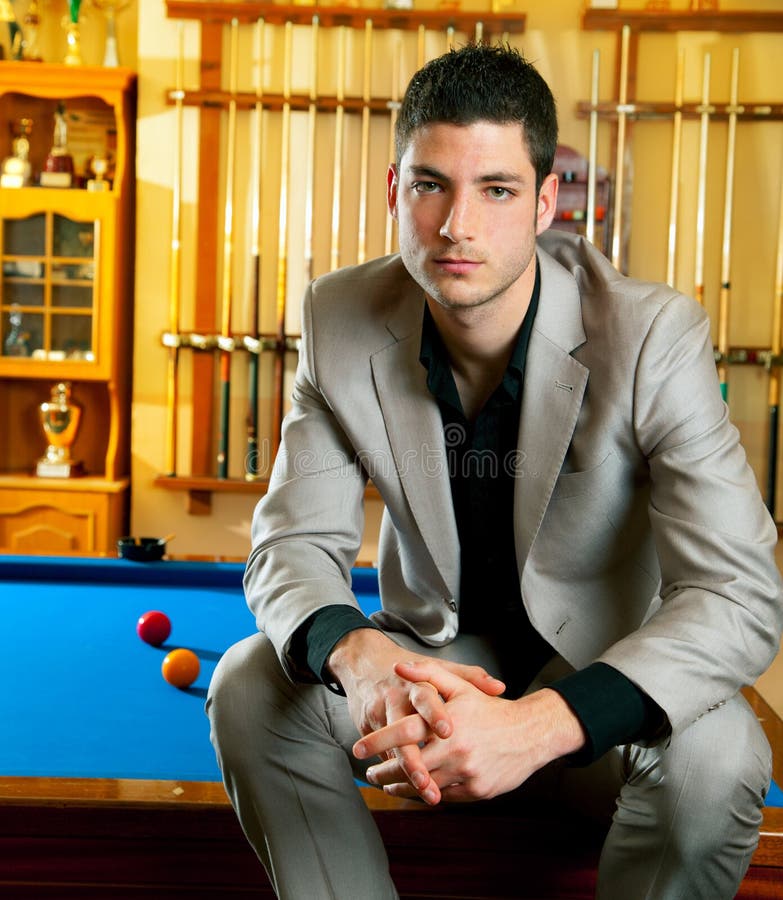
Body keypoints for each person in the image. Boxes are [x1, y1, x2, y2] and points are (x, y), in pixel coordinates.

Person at [207, 43, 783, 899]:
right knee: (250, 680)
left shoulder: (653, 335)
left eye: (497, 189)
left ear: (547, 201)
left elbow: (738, 596)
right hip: (427, 693)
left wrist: (541, 725)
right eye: (430, 184)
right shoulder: (339, 317)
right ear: (393, 190)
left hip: (598, 698)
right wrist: (359, 656)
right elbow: (289, 546)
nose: (456, 226)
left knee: (723, 751)